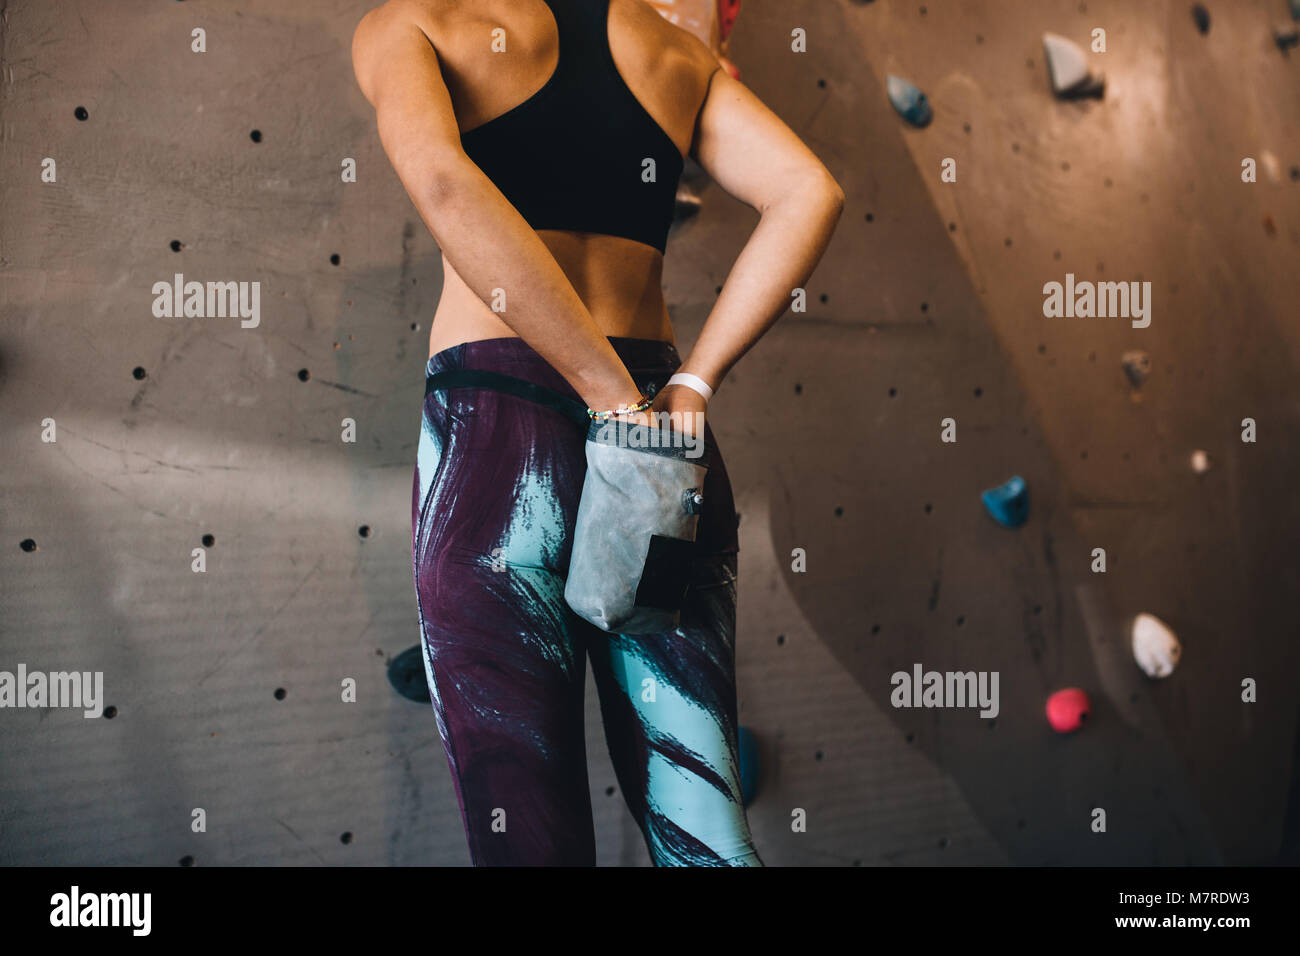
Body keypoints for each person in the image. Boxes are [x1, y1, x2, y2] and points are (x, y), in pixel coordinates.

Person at [351, 0, 843, 866]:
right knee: (704, 834)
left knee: (526, 836)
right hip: (661, 431)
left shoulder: (416, 23)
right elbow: (811, 190)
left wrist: (601, 392)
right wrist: (685, 387)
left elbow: (441, 180)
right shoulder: (672, 51)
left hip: (496, 435)